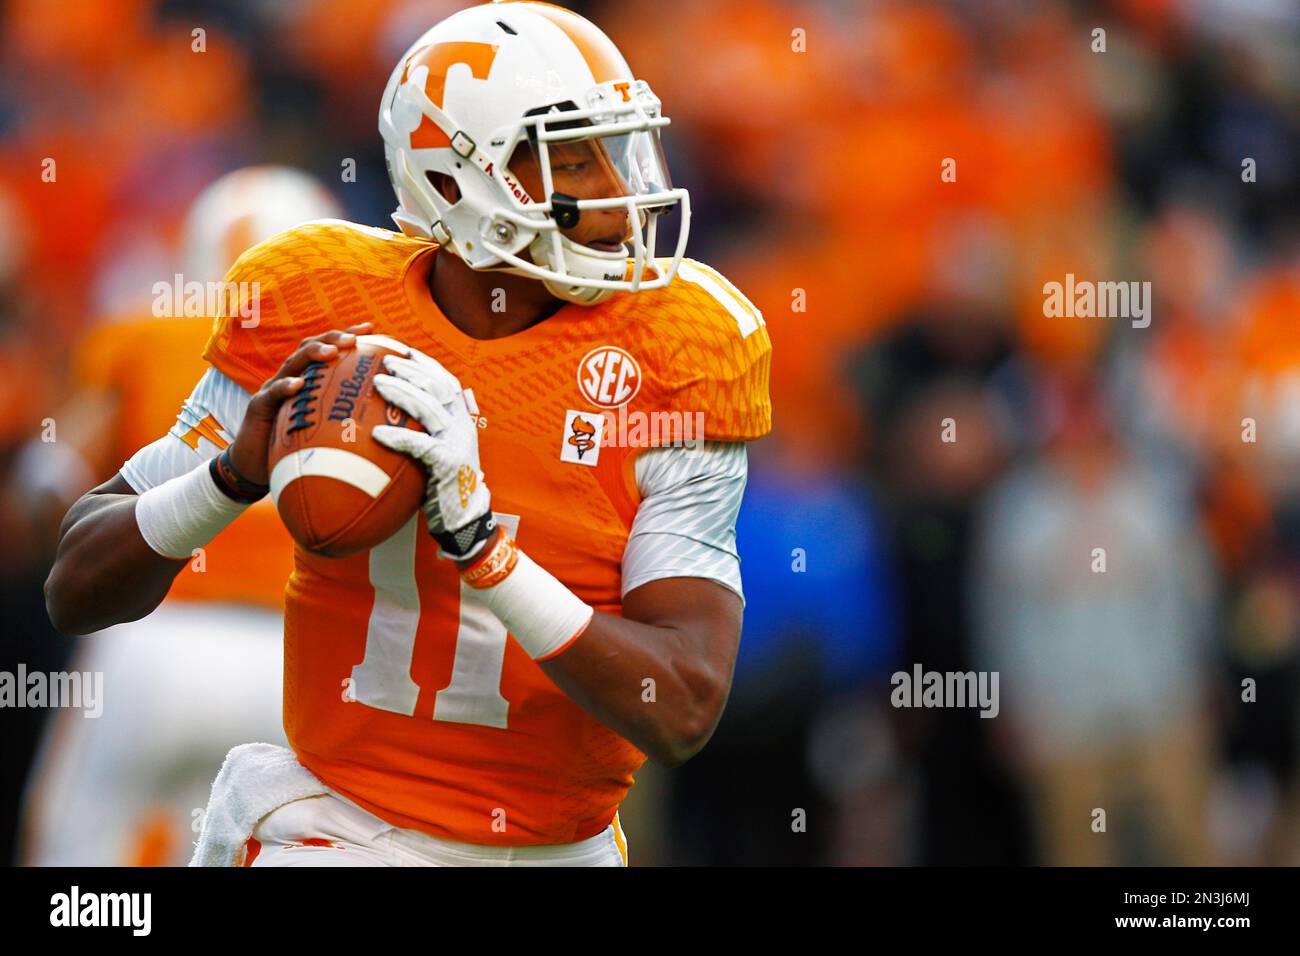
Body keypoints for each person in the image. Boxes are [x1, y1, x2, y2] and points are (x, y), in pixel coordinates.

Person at [44, 1, 771, 867]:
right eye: (574, 162)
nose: (621, 196)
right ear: (458, 181)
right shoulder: (321, 307)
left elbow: (682, 706)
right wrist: (226, 480)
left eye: (620, 154)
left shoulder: (679, 347)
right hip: (347, 831)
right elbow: (75, 586)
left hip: (567, 848)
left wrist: (486, 553)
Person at [20, 166, 341, 866]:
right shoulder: (350, 360)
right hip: (299, 657)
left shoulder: (143, 332)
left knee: (84, 847)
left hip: (156, 637)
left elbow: (50, 483)